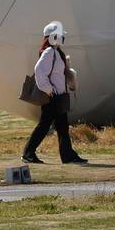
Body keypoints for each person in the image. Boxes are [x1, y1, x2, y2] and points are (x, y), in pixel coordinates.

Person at [21, 21, 87, 165]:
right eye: (59, 35)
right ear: (52, 37)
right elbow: (39, 71)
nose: (62, 38)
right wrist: (49, 90)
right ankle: (28, 153)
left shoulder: (56, 52)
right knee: (45, 125)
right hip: (52, 97)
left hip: (58, 96)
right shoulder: (50, 52)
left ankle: (67, 156)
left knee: (62, 126)